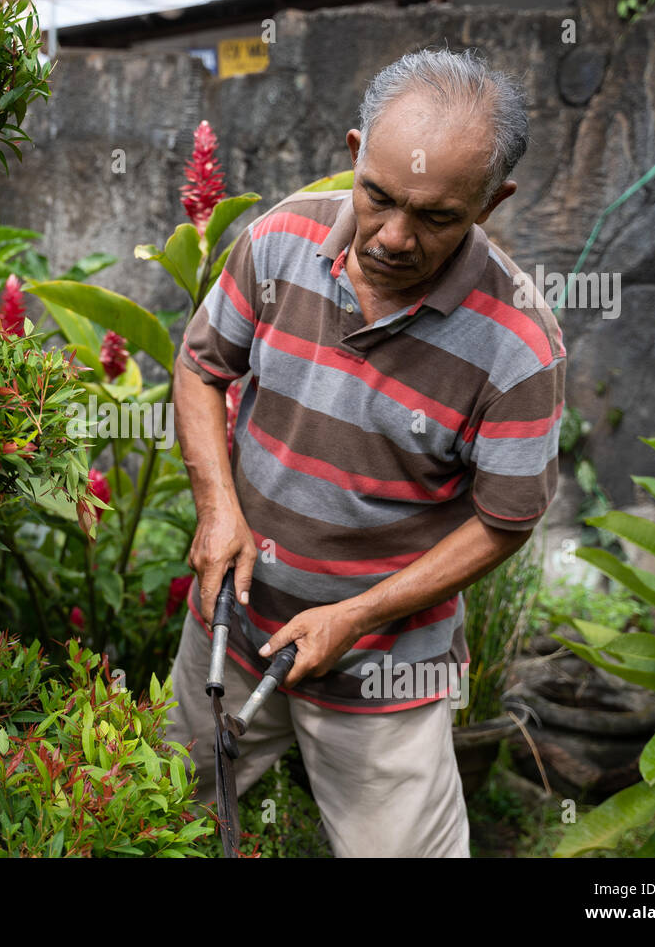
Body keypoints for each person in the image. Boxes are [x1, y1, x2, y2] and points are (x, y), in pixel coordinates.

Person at [166, 47, 566, 857]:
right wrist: (217, 508)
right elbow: (202, 367)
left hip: (386, 677)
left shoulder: (521, 346)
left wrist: (356, 616)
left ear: (493, 203)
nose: (392, 236)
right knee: (151, 821)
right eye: (378, 196)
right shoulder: (278, 240)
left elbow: (506, 520)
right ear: (355, 153)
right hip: (230, 633)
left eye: (437, 217)